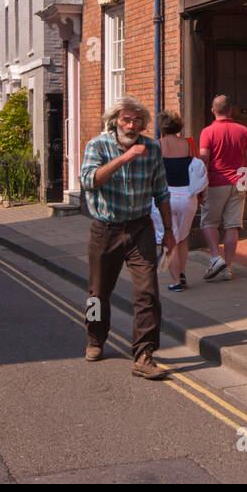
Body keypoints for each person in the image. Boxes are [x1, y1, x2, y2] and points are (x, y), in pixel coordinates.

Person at [80, 94, 173, 380]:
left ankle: (144, 355)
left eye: (136, 120)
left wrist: (169, 231)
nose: (131, 126)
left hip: (140, 228)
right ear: (115, 120)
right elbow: (88, 180)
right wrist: (124, 158)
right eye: (125, 119)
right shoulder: (98, 145)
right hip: (105, 229)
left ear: (143, 123)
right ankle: (95, 339)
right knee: (97, 294)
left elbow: (161, 192)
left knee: (147, 292)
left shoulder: (152, 149)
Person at [150, 111, 207, 292]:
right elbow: (197, 170)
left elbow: (152, 174)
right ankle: (182, 272)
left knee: (170, 240)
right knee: (182, 238)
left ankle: (175, 281)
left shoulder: (157, 145)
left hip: (165, 197)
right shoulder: (189, 145)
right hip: (188, 197)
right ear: (178, 127)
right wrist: (201, 193)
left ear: (162, 127)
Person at [198, 94, 247, 282]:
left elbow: (204, 159)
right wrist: (245, 183)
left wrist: (201, 186)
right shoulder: (243, 130)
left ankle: (215, 257)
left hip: (215, 182)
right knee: (232, 226)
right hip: (238, 181)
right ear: (230, 110)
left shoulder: (207, 132)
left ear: (213, 111)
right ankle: (227, 267)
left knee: (209, 222)